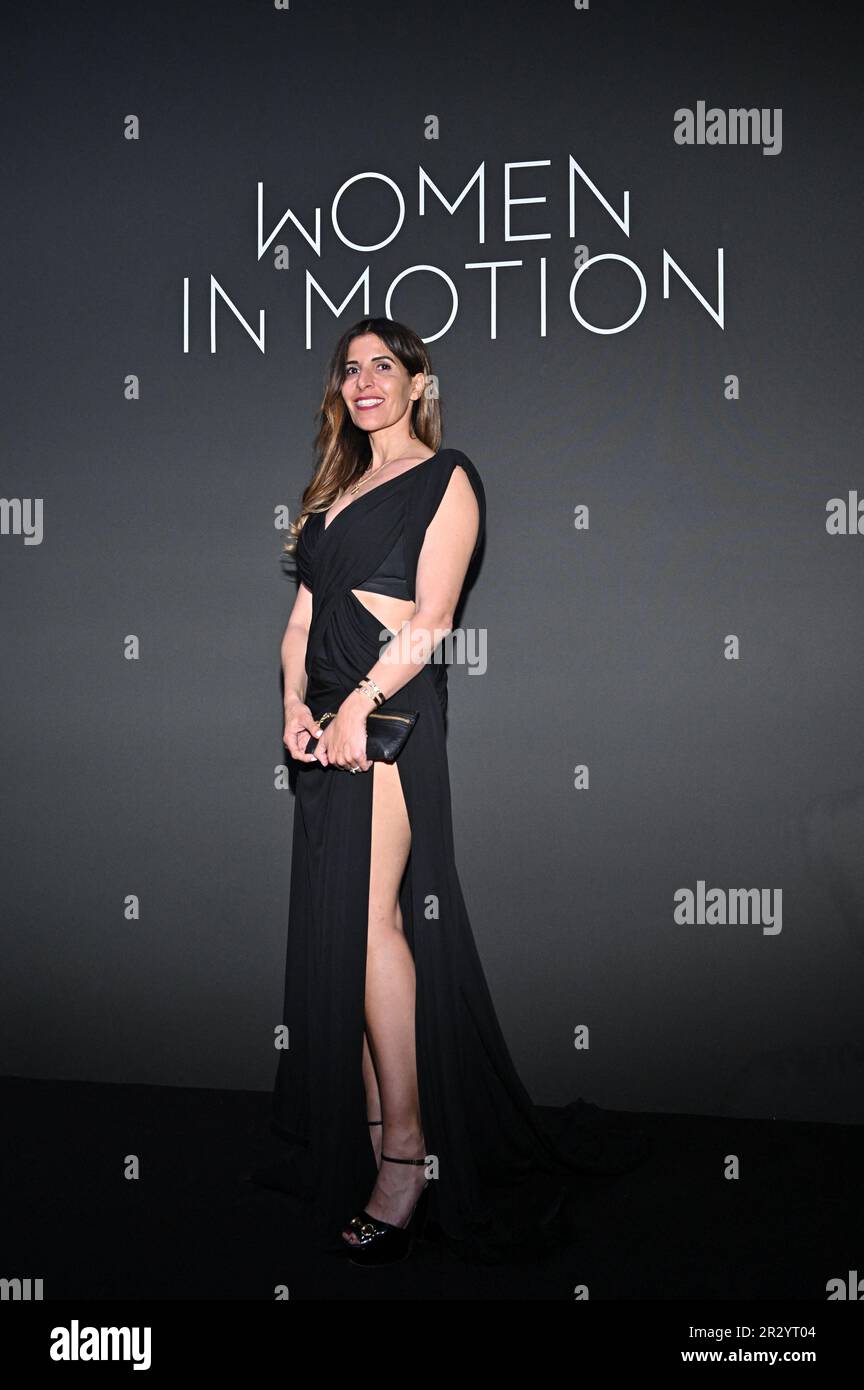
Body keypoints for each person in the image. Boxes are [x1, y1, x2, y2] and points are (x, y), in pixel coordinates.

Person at [252, 316, 651, 1266]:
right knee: (337, 933)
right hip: (325, 730)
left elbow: (432, 620)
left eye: (381, 366)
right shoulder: (329, 495)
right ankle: (373, 1135)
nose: (363, 382)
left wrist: (354, 708)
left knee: (369, 926)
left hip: (388, 721)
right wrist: (292, 710)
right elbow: (298, 623)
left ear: (418, 382)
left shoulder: (449, 476)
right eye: (349, 370)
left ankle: (407, 1156)